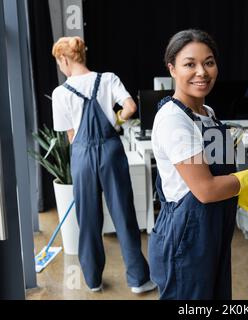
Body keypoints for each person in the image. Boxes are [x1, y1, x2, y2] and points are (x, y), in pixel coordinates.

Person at [149, 29, 248, 300]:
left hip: (213, 231)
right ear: (172, 69)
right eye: (190, 64)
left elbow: (220, 172)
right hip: (187, 236)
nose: (201, 72)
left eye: (209, 62)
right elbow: (206, 189)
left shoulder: (207, 113)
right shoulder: (174, 120)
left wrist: (243, 187)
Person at [51, 36, 156, 293]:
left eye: (59, 62)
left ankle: (93, 280)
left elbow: (70, 134)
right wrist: (115, 122)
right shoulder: (108, 79)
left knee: (87, 217)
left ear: (64, 59)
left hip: (82, 155)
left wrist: (84, 149)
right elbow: (131, 107)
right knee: (123, 213)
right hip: (111, 150)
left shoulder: (60, 92)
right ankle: (138, 280)